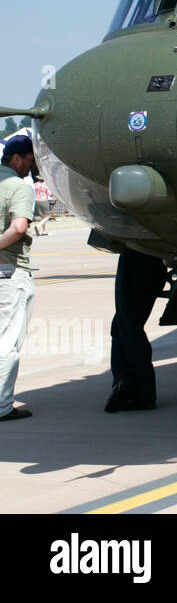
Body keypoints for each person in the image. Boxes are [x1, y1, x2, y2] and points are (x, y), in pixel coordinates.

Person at [0, 136, 37, 422]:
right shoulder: (17, 188)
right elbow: (19, 226)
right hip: (9, 272)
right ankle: (1, 406)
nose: (31, 168)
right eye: (29, 161)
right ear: (16, 160)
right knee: (7, 344)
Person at [105, 249, 168, 413]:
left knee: (128, 327)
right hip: (148, 259)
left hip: (138, 257)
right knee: (122, 326)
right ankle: (129, 385)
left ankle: (137, 390)